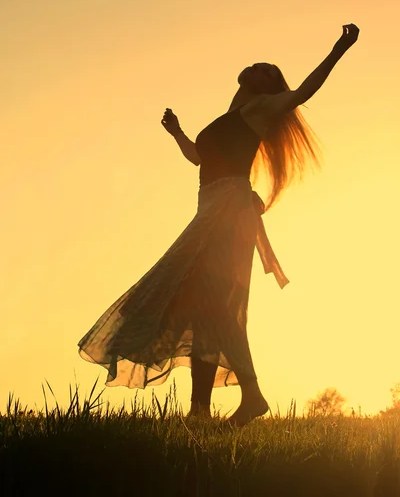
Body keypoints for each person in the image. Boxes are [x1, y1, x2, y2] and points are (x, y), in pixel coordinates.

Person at [78, 23, 359, 427]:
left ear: (270, 85)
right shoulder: (230, 116)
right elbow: (198, 159)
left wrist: (338, 49)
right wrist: (177, 133)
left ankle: (251, 395)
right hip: (209, 211)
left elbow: (303, 93)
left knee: (209, 302)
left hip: (229, 212)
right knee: (201, 308)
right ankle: (201, 410)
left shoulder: (261, 108)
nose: (259, 64)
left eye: (267, 67)